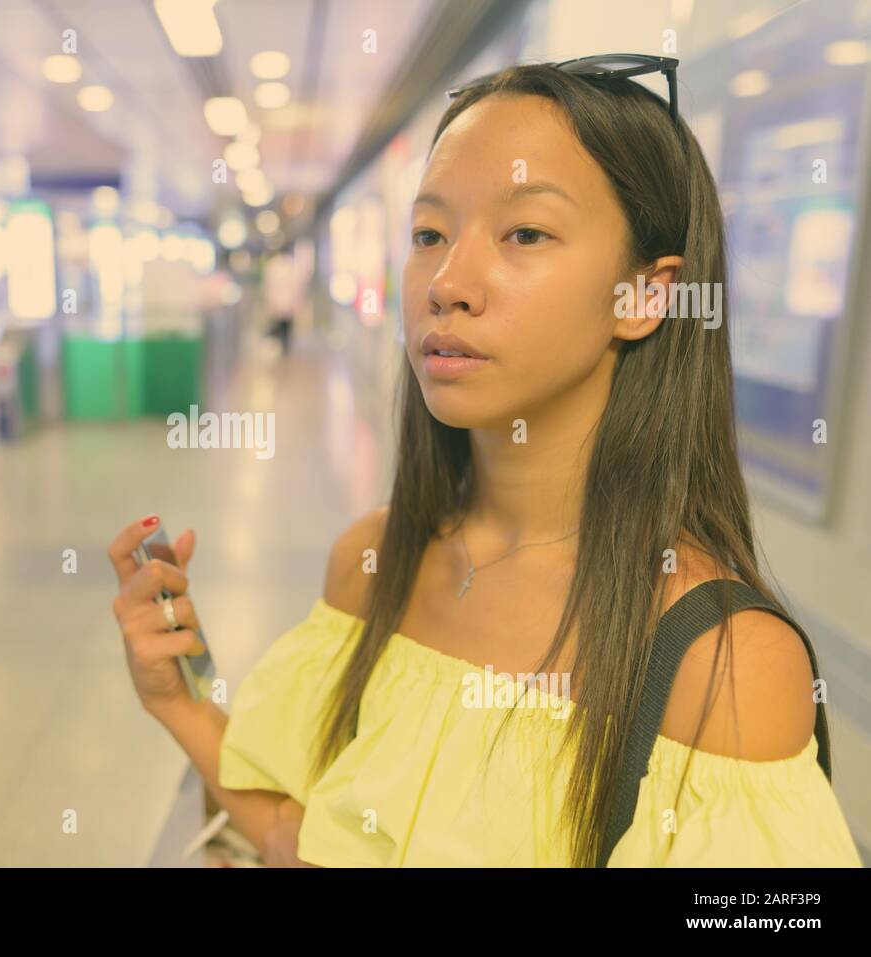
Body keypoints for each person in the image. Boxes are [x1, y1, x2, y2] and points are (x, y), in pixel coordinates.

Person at [107, 61, 862, 867]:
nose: (448, 282)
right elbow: (303, 840)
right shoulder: (374, 565)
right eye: (430, 234)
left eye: (525, 234)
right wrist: (180, 702)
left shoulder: (722, 660)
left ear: (646, 295)